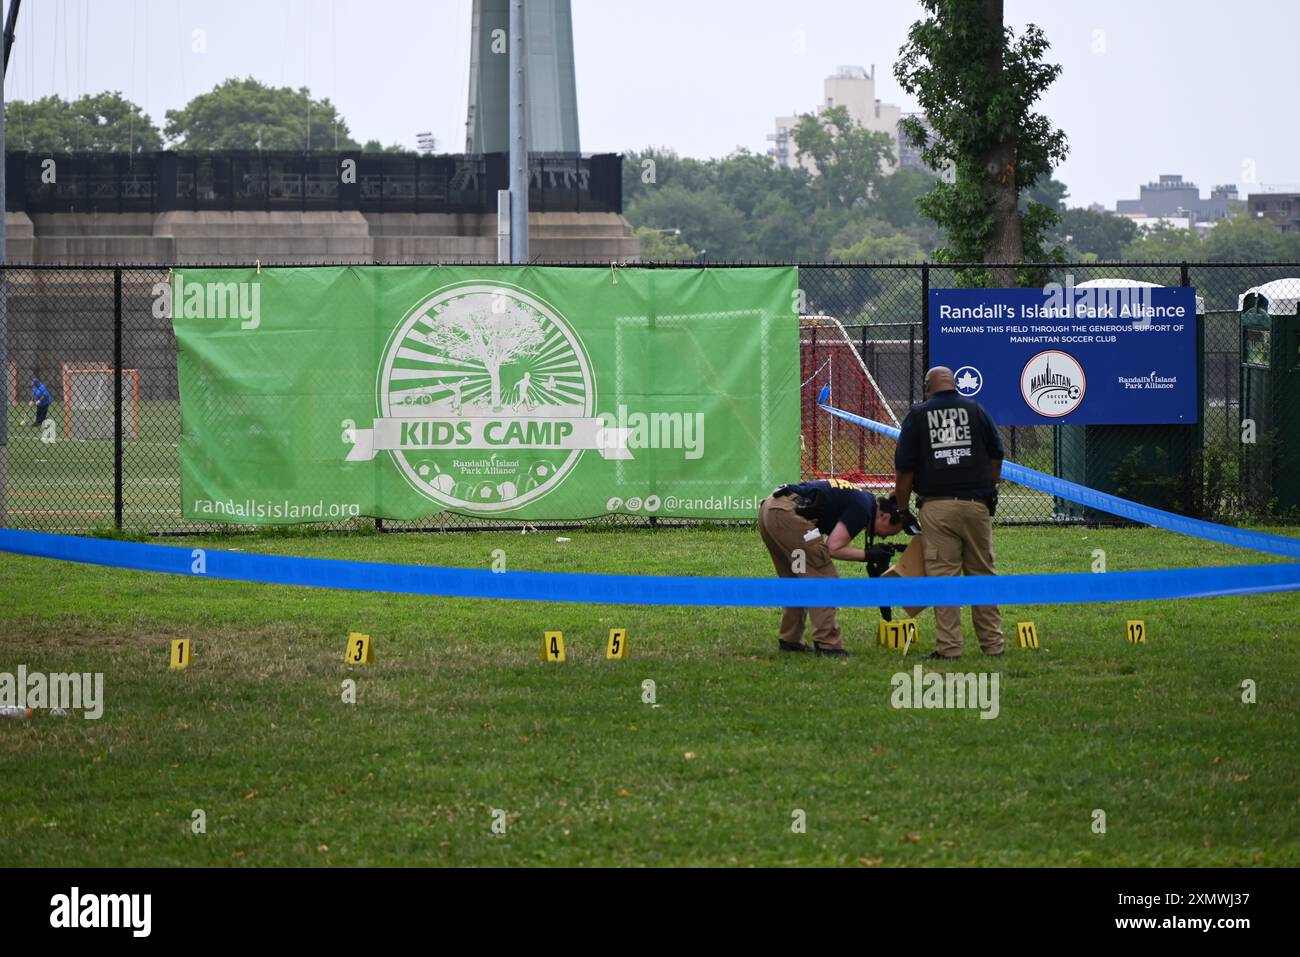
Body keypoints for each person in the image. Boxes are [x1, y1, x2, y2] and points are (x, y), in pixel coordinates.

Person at [894, 366, 1005, 660]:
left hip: (937, 506)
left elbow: (905, 469)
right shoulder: (976, 409)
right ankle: (993, 645)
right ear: (954, 384)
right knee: (983, 573)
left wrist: (903, 509)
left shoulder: (918, 416)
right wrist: (990, 486)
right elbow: (997, 454)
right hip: (976, 506)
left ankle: (950, 648)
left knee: (944, 577)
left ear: (928, 387)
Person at [757, 479, 905, 656]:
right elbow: (833, 548)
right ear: (886, 517)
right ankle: (828, 644)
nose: (883, 537)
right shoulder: (863, 508)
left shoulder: (862, 498)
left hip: (771, 508)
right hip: (788, 515)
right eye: (889, 532)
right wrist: (869, 555)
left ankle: (791, 639)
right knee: (825, 580)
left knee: (795, 579)